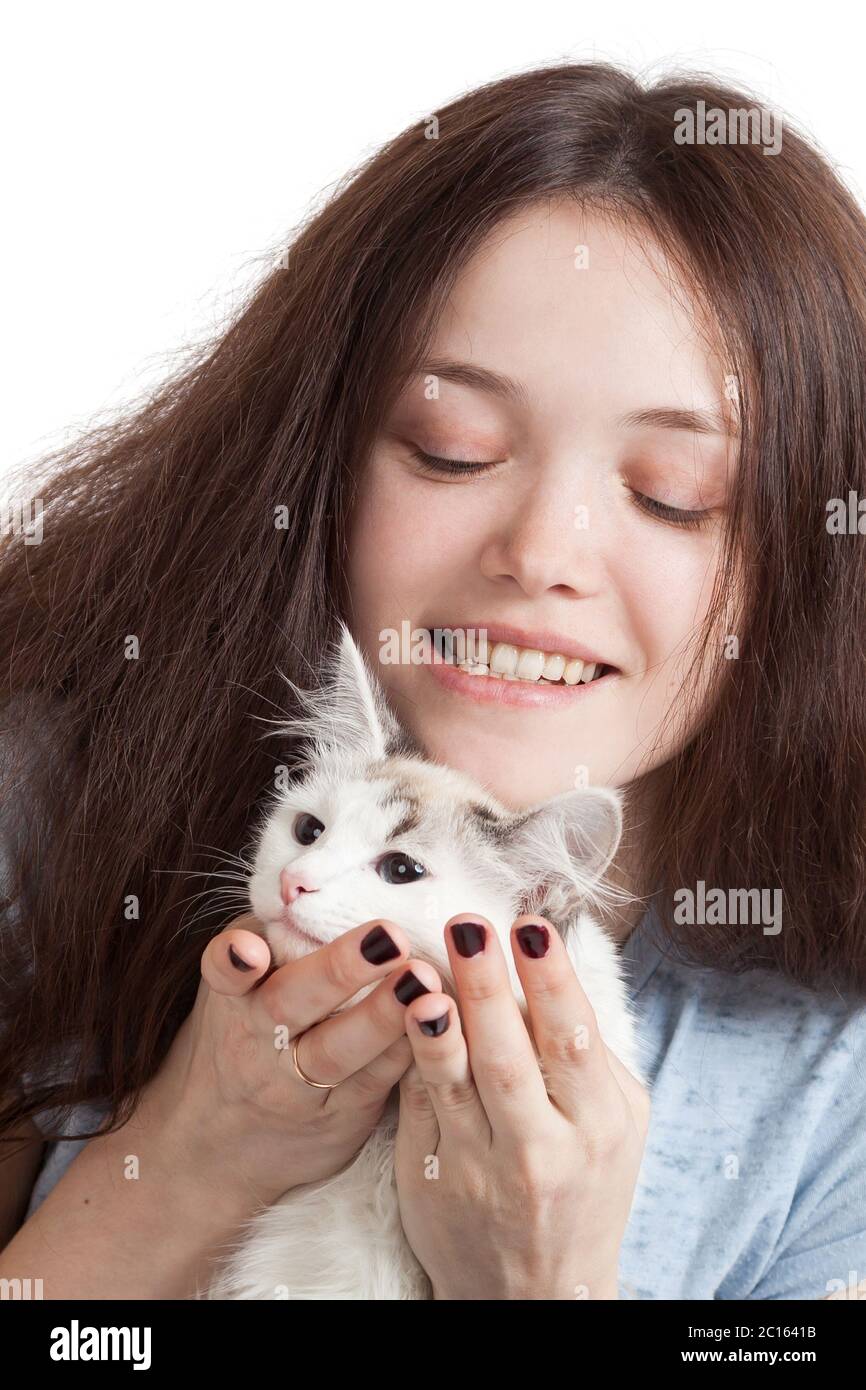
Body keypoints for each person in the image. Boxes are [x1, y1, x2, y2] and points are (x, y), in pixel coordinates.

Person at [1, 61, 864, 1300]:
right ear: (317, 463)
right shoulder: (43, 805)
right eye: (450, 452)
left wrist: (537, 1286)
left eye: (675, 496)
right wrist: (194, 1156)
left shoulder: (828, 1086)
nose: (539, 556)